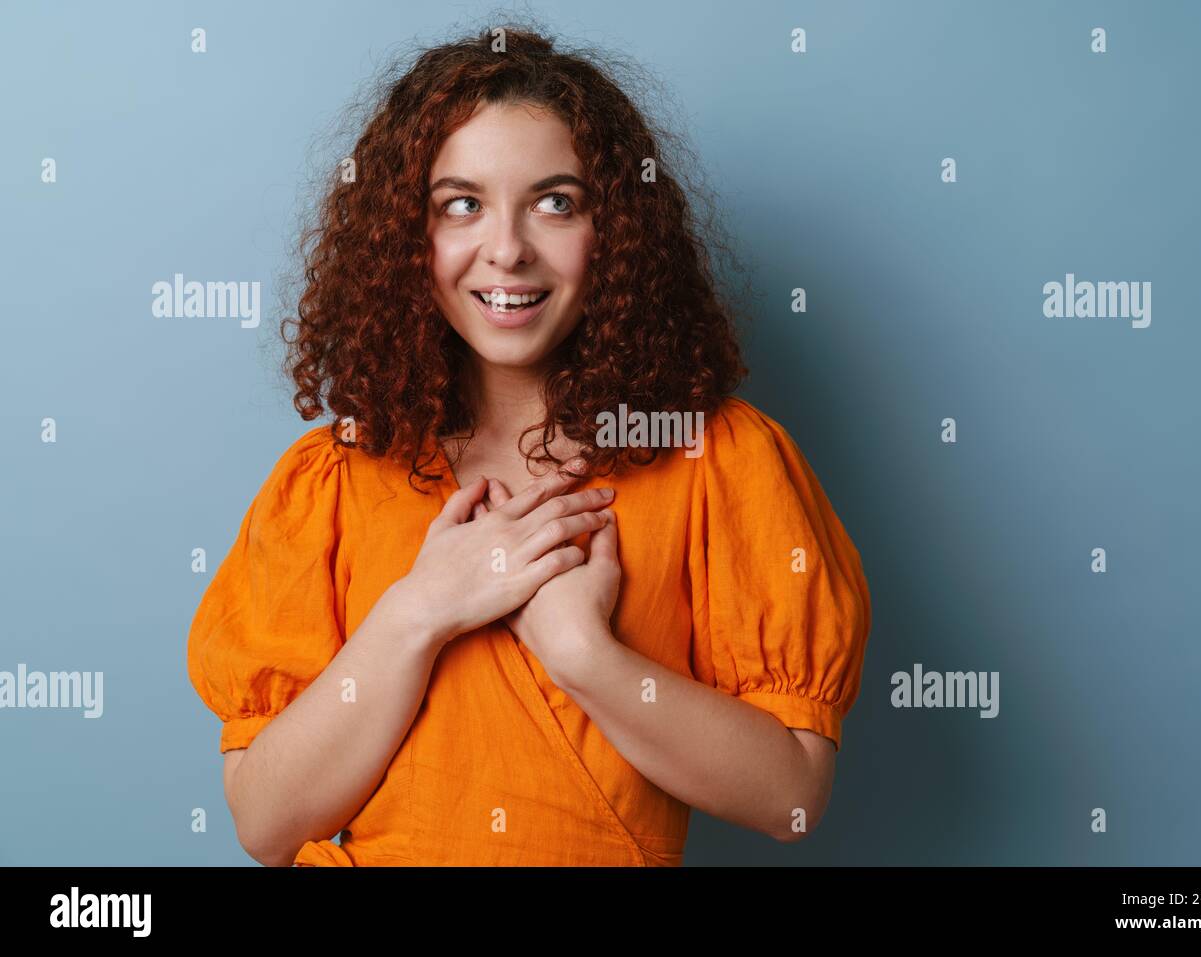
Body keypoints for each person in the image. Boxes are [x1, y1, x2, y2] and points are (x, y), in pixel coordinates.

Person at [187, 23, 871, 866]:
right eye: (461, 204)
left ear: (613, 231)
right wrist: (419, 610)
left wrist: (585, 653)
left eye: (555, 202)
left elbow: (792, 798)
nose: (506, 250)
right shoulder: (328, 481)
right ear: (408, 235)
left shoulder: (720, 465)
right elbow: (265, 822)